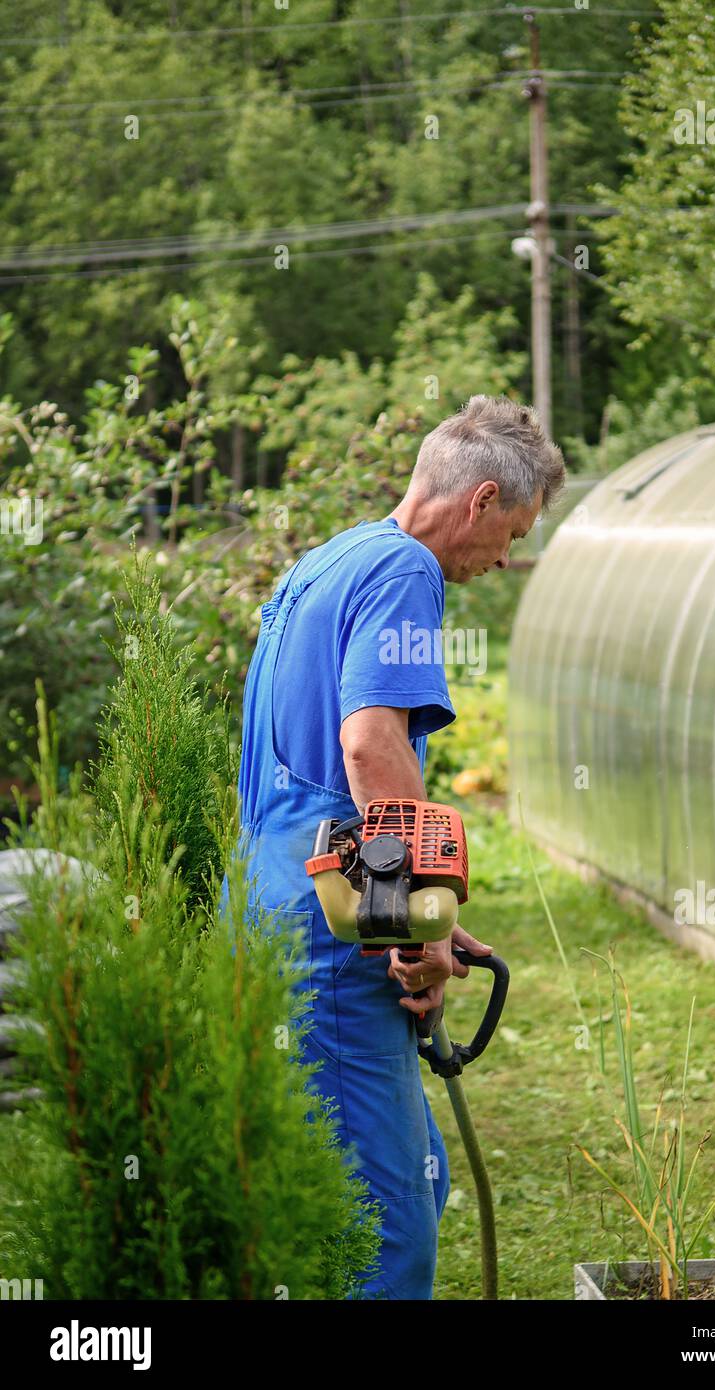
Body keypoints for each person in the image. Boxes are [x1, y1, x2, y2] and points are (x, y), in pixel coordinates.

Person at [229, 394, 565, 1298]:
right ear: (481, 500)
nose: (504, 560)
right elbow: (369, 745)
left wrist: (422, 923)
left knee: (404, 1179)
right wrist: (408, 921)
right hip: (330, 931)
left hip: (278, 900)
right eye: (513, 534)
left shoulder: (330, 560)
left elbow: (309, 761)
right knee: (386, 1240)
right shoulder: (406, 572)